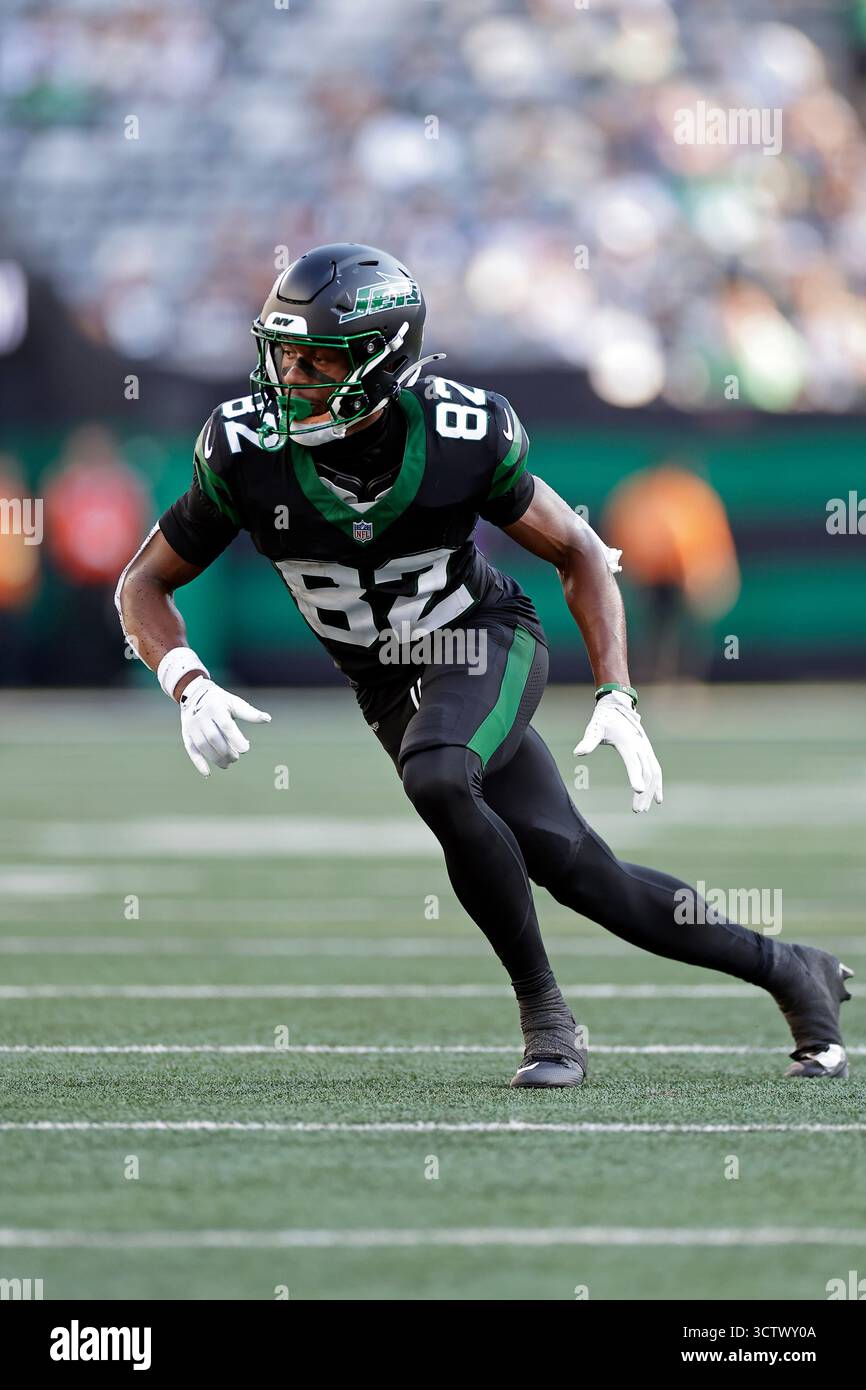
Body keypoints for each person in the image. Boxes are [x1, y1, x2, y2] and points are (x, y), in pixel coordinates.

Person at [116, 243, 852, 1087]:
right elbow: (144, 582)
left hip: (480, 637)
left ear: (380, 363)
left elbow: (578, 550)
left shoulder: (459, 432)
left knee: (437, 777)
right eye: (282, 353)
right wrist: (184, 676)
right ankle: (796, 970)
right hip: (388, 679)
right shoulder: (244, 450)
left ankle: (547, 1017)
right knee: (582, 871)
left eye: (315, 360)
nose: (289, 378)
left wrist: (617, 691)